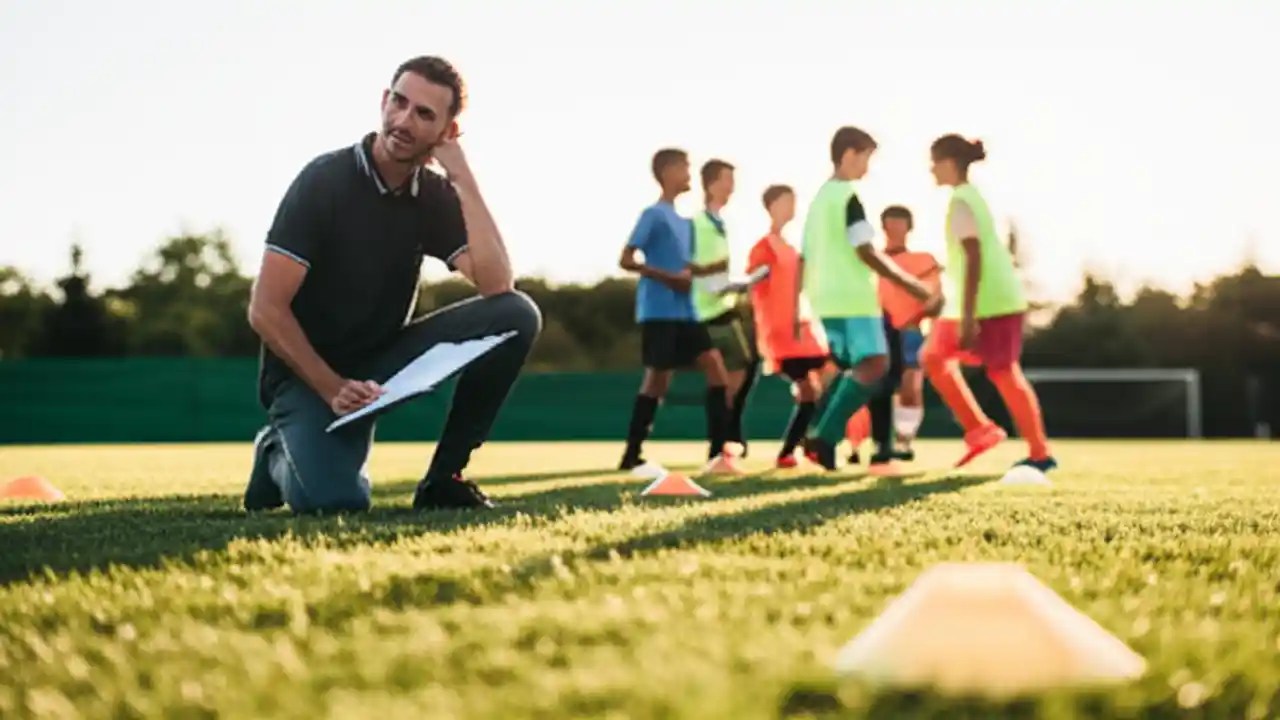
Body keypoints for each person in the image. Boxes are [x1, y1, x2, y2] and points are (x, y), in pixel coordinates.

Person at [243, 56, 542, 515]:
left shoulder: (436, 195)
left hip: (382, 366)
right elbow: (265, 309)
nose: (403, 121)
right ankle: (274, 451)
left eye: (424, 114)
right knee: (337, 501)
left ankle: (445, 479)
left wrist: (462, 177)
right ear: (384, 100)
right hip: (307, 377)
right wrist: (330, 387)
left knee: (517, 314)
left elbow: (498, 284)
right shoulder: (324, 181)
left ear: (446, 131)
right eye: (399, 103)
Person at [799, 127, 940, 471]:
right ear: (849, 154)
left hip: (824, 299)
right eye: (866, 158)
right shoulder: (847, 196)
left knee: (857, 368)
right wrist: (914, 286)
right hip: (852, 298)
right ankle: (824, 436)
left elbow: (807, 255)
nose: (867, 167)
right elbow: (866, 251)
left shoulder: (819, 200)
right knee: (876, 364)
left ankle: (825, 440)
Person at [923, 134, 1056, 471]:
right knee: (934, 356)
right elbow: (967, 255)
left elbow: (974, 255)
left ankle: (1039, 453)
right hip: (984, 300)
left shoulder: (961, 201)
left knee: (1002, 373)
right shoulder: (968, 197)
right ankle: (981, 429)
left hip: (991, 303)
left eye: (934, 161)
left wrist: (968, 316)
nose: (930, 168)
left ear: (949, 163)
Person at [618, 149, 739, 475]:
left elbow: (688, 270)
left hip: (687, 313)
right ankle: (632, 454)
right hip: (659, 312)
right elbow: (627, 259)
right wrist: (669, 278)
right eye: (684, 167)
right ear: (667, 172)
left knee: (716, 369)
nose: (689, 173)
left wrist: (712, 274)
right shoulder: (653, 215)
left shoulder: (686, 223)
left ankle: (718, 455)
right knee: (656, 380)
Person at [845, 205, 940, 463]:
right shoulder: (870, 260)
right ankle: (858, 445)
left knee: (910, 387)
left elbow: (935, 297)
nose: (895, 228)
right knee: (870, 389)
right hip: (876, 330)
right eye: (890, 223)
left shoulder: (924, 260)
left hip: (909, 332)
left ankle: (904, 442)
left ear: (909, 228)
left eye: (900, 223)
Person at [746, 184, 831, 468]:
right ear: (771, 205)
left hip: (803, 329)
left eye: (794, 201)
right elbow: (754, 284)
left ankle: (801, 445)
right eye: (786, 201)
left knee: (826, 375)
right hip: (781, 332)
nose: (791, 207)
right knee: (809, 389)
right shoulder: (764, 246)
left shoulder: (792, 247)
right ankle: (792, 450)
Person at [690, 159, 756, 458]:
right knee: (724, 379)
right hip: (706, 312)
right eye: (727, 179)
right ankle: (722, 443)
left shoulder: (720, 224)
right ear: (712, 183)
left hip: (724, 306)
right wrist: (723, 282)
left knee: (739, 372)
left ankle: (728, 439)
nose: (732, 187)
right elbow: (694, 270)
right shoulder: (697, 224)